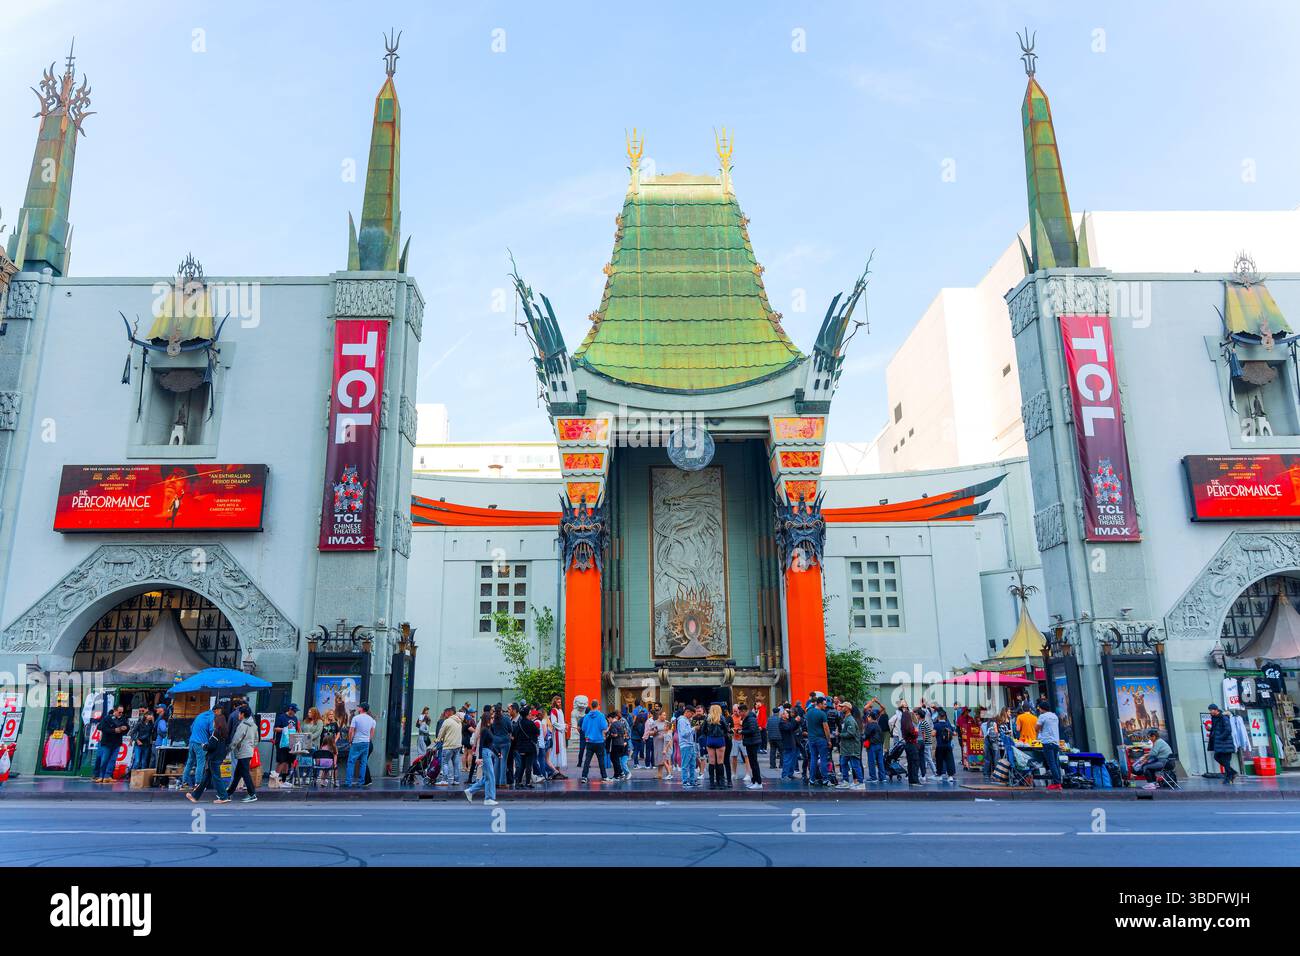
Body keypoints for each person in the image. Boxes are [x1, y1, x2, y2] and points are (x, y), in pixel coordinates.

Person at [188, 705, 231, 803]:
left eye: (214, 721)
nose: (213, 722)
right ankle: (195, 796)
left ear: (217, 723)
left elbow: (211, 746)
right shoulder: (224, 733)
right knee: (206, 778)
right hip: (218, 757)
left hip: (213, 758)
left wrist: (204, 746)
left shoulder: (216, 733)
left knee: (216, 778)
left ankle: (224, 797)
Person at [464, 705, 499, 805]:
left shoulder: (488, 729)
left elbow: (491, 744)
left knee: (486, 777)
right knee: (490, 776)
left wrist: (497, 753)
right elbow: (482, 744)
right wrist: (479, 758)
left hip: (488, 753)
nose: (493, 719)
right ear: (488, 719)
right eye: (491, 718)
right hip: (485, 753)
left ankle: (470, 791)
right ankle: (488, 798)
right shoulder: (484, 730)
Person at [226, 705, 259, 802]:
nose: (238, 715)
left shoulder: (243, 725)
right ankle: (228, 794)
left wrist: (229, 749)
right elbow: (256, 739)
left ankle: (252, 794)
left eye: (239, 713)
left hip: (243, 752)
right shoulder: (254, 725)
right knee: (237, 774)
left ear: (242, 714)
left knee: (245, 774)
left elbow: (236, 739)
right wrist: (251, 747)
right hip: (248, 751)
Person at [93, 706, 130, 783]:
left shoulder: (123, 719)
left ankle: (107, 776)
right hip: (107, 742)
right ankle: (101, 776)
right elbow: (101, 727)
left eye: (122, 712)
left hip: (116, 742)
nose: (121, 714)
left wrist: (125, 728)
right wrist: (114, 730)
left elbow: (127, 727)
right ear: (115, 711)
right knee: (104, 760)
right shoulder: (107, 718)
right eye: (119, 712)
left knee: (112, 760)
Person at [182, 702, 214, 788]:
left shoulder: (200, 715)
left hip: (192, 741)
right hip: (201, 743)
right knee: (201, 763)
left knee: (190, 762)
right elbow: (212, 731)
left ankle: (184, 782)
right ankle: (198, 783)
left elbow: (191, 727)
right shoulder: (211, 717)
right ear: (217, 711)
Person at [344, 702, 376, 788]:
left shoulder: (356, 718)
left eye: (359, 707)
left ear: (361, 708)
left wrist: (350, 740)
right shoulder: (372, 720)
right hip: (366, 743)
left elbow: (351, 731)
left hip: (356, 742)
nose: (358, 708)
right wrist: (367, 740)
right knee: (363, 763)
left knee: (351, 762)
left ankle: (348, 782)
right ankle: (361, 782)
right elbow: (372, 733)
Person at [1206, 703, 1238, 784]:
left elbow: (1228, 730)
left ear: (1216, 709)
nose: (1210, 712)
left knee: (1226, 761)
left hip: (1225, 743)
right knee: (1217, 757)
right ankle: (1232, 772)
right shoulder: (1214, 718)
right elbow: (1217, 729)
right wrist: (1210, 729)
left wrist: (1219, 737)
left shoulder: (1223, 717)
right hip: (1220, 743)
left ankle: (1229, 778)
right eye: (1209, 710)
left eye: (1211, 710)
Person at [836, 701, 864, 789]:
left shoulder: (850, 720)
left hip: (852, 747)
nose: (841, 708)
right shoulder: (846, 718)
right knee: (843, 763)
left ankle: (861, 783)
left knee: (855, 765)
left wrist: (839, 734)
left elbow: (851, 733)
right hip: (846, 748)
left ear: (848, 708)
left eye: (843, 707)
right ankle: (846, 781)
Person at [1035, 701, 1063, 789]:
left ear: (1042, 708)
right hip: (1055, 742)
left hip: (1047, 742)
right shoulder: (1054, 716)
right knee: (1056, 763)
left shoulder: (1042, 716)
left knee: (1051, 763)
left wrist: (1040, 730)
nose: (1039, 709)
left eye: (1039, 708)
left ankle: (1057, 783)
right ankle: (1059, 782)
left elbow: (1036, 728)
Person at [579, 701, 609, 782]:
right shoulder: (601, 715)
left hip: (589, 741)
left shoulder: (587, 716)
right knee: (601, 760)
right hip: (599, 741)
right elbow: (604, 726)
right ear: (598, 706)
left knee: (587, 760)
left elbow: (583, 728)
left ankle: (584, 777)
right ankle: (604, 776)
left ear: (591, 706)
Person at [513, 703, 540, 788]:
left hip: (521, 747)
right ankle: (528, 783)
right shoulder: (530, 723)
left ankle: (518, 782)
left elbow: (515, 734)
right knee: (528, 765)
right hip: (530, 747)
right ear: (528, 713)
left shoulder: (519, 723)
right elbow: (537, 732)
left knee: (522, 765)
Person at [272, 703, 299, 787]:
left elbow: (297, 729)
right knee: (281, 761)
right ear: (290, 709)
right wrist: (285, 729)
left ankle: (283, 780)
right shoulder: (281, 717)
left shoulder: (295, 718)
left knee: (287, 761)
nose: (295, 713)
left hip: (291, 743)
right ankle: (274, 779)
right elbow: (275, 729)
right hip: (281, 742)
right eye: (294, 711)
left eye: (296, 711)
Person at [703, 704, 729, 790]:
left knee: (711, 761)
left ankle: (711, 783)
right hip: (720, 740)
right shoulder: (721, 718)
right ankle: (721, 782)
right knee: (720, 762)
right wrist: (722, 734)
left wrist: (708, 735)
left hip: (710, 740)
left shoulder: (707, 718)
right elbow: (726, 729)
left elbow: (703, 730)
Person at [739, 702, 763, 789]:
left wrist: (742, 731)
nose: (739, 714)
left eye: (740, 712)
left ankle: (758, 782)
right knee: (752, 763)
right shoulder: (748, 718)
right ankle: (754, 781)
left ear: (744, 711)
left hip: (753, 742)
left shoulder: (750, 718)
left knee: (754, 763)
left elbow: (752, 730)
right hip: (750, 742)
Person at [437, 707, 463, 785]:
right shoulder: (459, 721)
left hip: (448, 745)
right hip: (457, 746)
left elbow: (441, 733)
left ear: (449, 713)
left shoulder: (447, 721)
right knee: (456, 764)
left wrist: (438, 740)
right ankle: (456, 780)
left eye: (445, 712)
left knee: (445, 762)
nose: (444, 714)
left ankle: (444, 780)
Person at [931, 708, 957, 783]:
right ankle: (950, 776)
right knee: (949, 760)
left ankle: (939, 775)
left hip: (940, 746)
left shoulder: (936, 725)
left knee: (939, 760)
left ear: (939, 717)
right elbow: (955, 733)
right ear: (945, 717)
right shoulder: (948, 725)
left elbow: (933, 734)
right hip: (948, 746)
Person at [676, 705, 699, 788]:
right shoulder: (682, 720)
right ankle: (685, 781)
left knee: (693, 764)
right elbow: (684, 733)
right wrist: (693, 728)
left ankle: (692, 781)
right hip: (685, 745)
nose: (692, 716)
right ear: (687, 712)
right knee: (685, 765)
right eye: (691, 713)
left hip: (690, 744)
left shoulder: (687, 720)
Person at [899, 703, 921, 787]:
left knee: (910, 763)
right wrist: (916, 731)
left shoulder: (903, 724)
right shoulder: (910, 726)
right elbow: (914, 734)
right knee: (915, 762)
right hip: (912, 744)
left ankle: (911, 780)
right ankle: (915, 780)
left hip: (907, 744)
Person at [606, 707, 630, 780]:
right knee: (616, 759)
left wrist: (610, 735)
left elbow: (615, 734)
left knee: (614, 759)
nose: (608, 720)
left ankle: (619, 774)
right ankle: (618, 774)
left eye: (608, 719)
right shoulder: (621, 723)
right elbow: (625, 733)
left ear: (610, 718)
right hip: (621, 743)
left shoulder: (613, 724)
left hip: (616, 744)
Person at [863, 710, 885, 783]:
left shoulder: (870, 725)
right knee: (880, 761)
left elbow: (866, 735)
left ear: (870, 717)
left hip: (872, 745)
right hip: (880, 745)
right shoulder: (878, 725)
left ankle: (873, 777)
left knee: (871, 762)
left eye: (868, 716)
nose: (867, 718)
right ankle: (882, 777)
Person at [778, 707, 799, 781]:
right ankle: (784, 775)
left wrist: (796, 722)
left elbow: (793, 727)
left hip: (791, 743)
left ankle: (790, 774)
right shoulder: (782, 722)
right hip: (787, 744)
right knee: (787, 760)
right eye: (787, 713)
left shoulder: (788, 721)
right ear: (782, 715)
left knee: (792, 760)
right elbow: (789, 727)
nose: (788, 715)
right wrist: (794, 722)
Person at [766, 705, 783, 770]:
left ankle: (772, 765)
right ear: (778, 713)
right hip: (779, 737)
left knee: (772, 751)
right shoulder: (780, 719)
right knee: (781, 751)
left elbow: (767, 728)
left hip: (771, 737)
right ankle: (781, 765)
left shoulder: (769, 719)